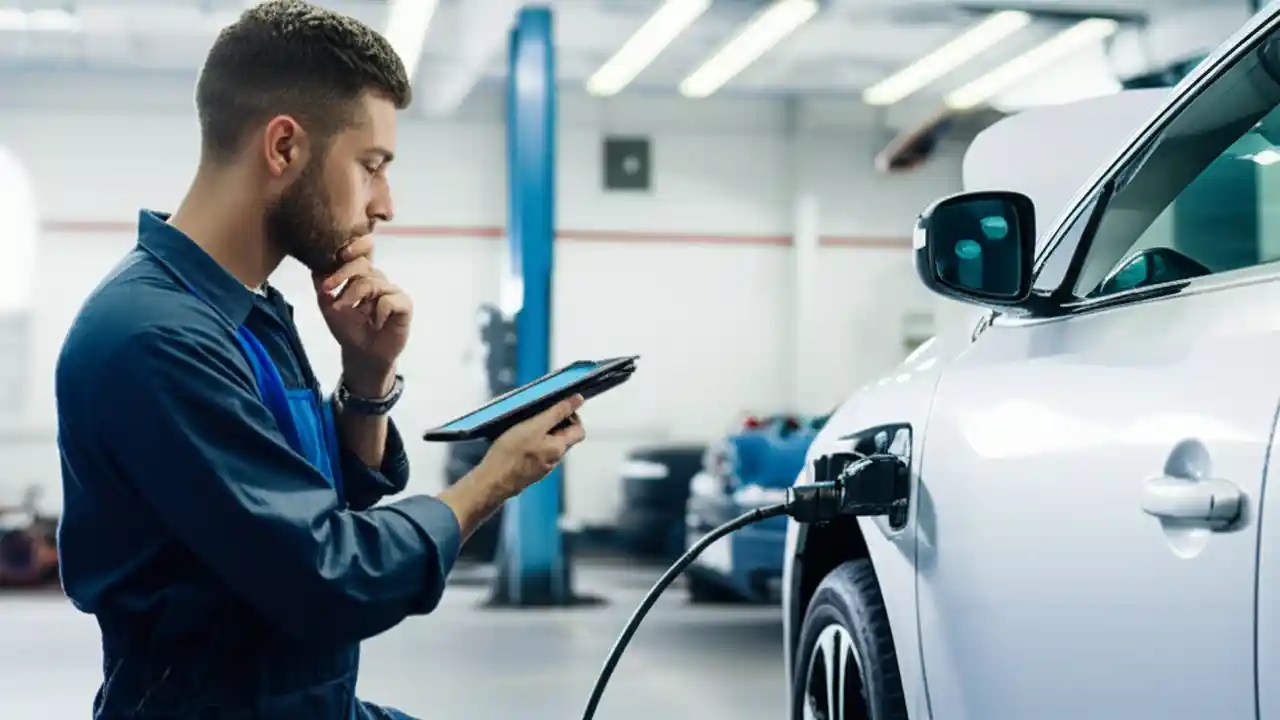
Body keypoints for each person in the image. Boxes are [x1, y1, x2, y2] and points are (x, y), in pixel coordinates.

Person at [53, 2, 586, 718]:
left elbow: (317, 501)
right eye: (371, 167)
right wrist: (492, 482)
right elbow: (326, 576)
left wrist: (365, 378)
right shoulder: (156, 337)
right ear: (284, 148)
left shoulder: (249, 310)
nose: (385, 205)